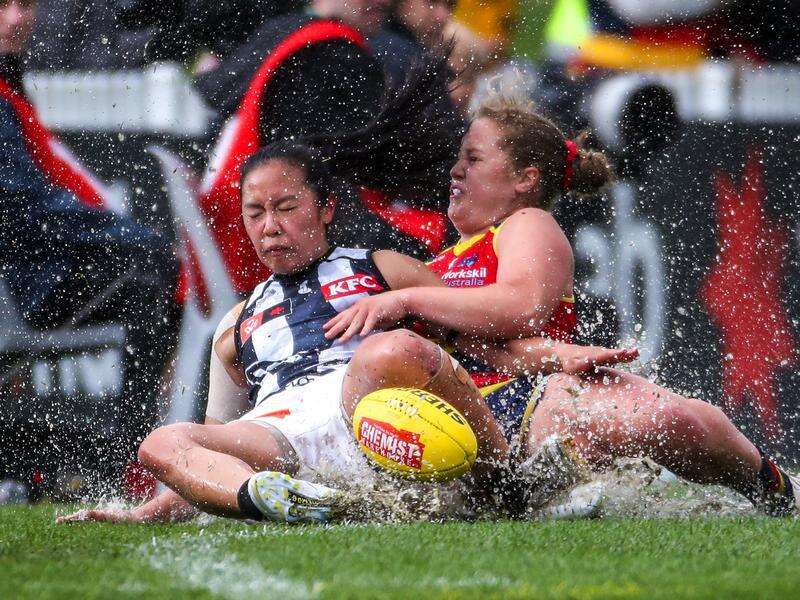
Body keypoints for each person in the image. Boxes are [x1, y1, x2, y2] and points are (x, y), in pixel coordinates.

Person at [327, 85, 800, 516]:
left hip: (534, 398)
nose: (456, 170)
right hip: (457, 410)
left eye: (473, 159)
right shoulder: (443, 259)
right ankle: (517, 492)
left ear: (524, 179)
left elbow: (523, 306)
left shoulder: (526, 222)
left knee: (672, 419)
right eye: (459, 159)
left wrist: (408, 299)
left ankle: (770, 483)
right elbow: (469, 343)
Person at [0, 0, 179, 475]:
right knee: (148, 276)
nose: (17, 19)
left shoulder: (9, 81)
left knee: (148, 277)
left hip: (25, 277)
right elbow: (23, 206)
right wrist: (133, 235)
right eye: (1, 7)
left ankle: (129, 452)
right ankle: (131, 457)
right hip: (23, 282)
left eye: (24, 4)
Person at [196, 0, 457, 297]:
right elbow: (328, 200)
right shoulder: (329, 57)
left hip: (226, 249)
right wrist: (417, 257)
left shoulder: (279, 32)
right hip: (274, 264)